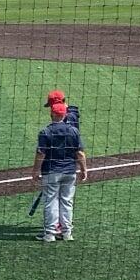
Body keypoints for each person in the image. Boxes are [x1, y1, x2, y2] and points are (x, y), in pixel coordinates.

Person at [35, 93, 88, 242]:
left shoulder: (45, 132)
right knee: (67, 201)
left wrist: (35, 171)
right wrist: (83, 169)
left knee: (51, 201)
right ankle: (67, 233)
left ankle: (50, 234)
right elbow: (80, 153)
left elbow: (41, 153)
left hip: (51, 171)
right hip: (70, 170)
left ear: (53, 112)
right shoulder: (74, 129)